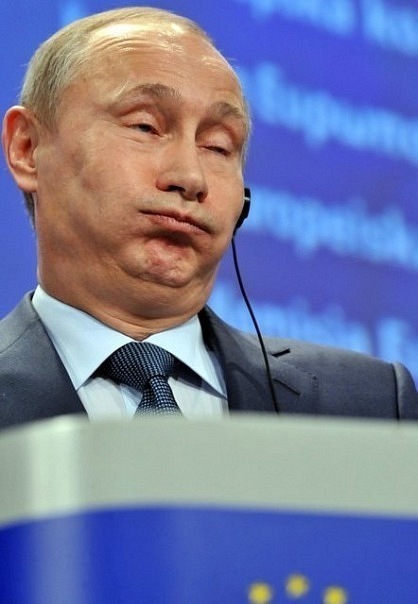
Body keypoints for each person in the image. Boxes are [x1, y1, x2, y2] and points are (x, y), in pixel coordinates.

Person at [0, 6, 417, 429]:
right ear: (27, 148)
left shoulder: (369, 405)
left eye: (218, 146)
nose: (190, 178)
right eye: (145, 127)